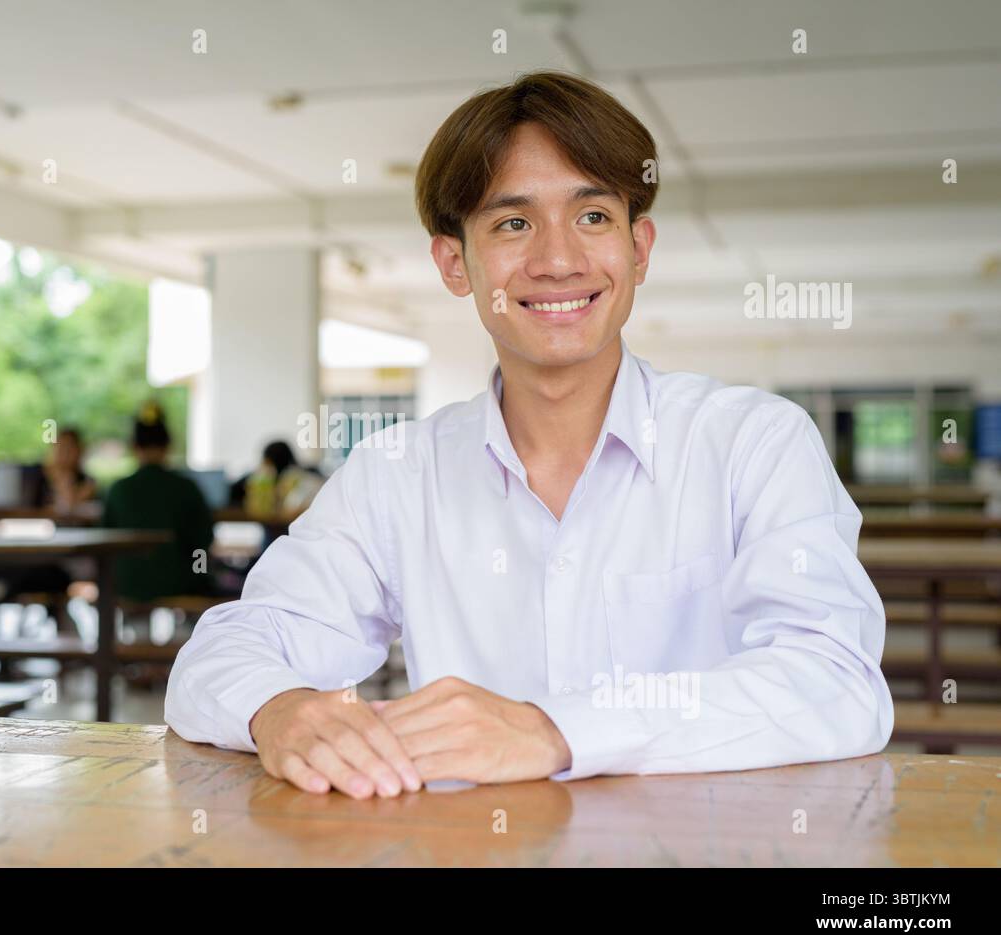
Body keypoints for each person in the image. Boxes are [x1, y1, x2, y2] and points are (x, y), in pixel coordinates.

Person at [165, 71, 893, 798]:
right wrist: (278, 709)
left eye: (593, 217)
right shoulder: (396, 473)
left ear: (640, 248)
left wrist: (553, 730)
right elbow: (225, 653)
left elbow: (835, 680)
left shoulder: (753, 444)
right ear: (456, 262)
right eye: (512, 223)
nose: (557, 259)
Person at [102, 402, 215, 602]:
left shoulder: (118, 489)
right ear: (168, 445)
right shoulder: (186, 488)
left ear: (134, 446)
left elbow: (104, 538)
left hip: (127, 584)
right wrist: (200, 574)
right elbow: (203, 540)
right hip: (178, 582)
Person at [22, 427, 98, 514]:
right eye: (61, 448)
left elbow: (70, 505)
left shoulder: (87, 481)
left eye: (69, 449)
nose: (65, 454)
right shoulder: (36, 475)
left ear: (80, 451)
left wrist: (64, 481)